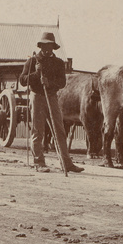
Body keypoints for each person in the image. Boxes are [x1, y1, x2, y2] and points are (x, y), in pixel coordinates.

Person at [19, 32, 83, 174]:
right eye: (44, 45)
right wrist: (36, 74)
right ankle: (39, 163)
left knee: (59, 130)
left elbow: (62, 83)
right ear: (41, 45)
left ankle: (66, 163)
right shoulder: (32, 61)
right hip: (37, 98)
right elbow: (22, 80)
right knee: (38, 130)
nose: (47, 48)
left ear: (53, 47)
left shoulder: (59, 63)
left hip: (52, 98)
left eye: (50, 46)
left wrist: (49, 83)